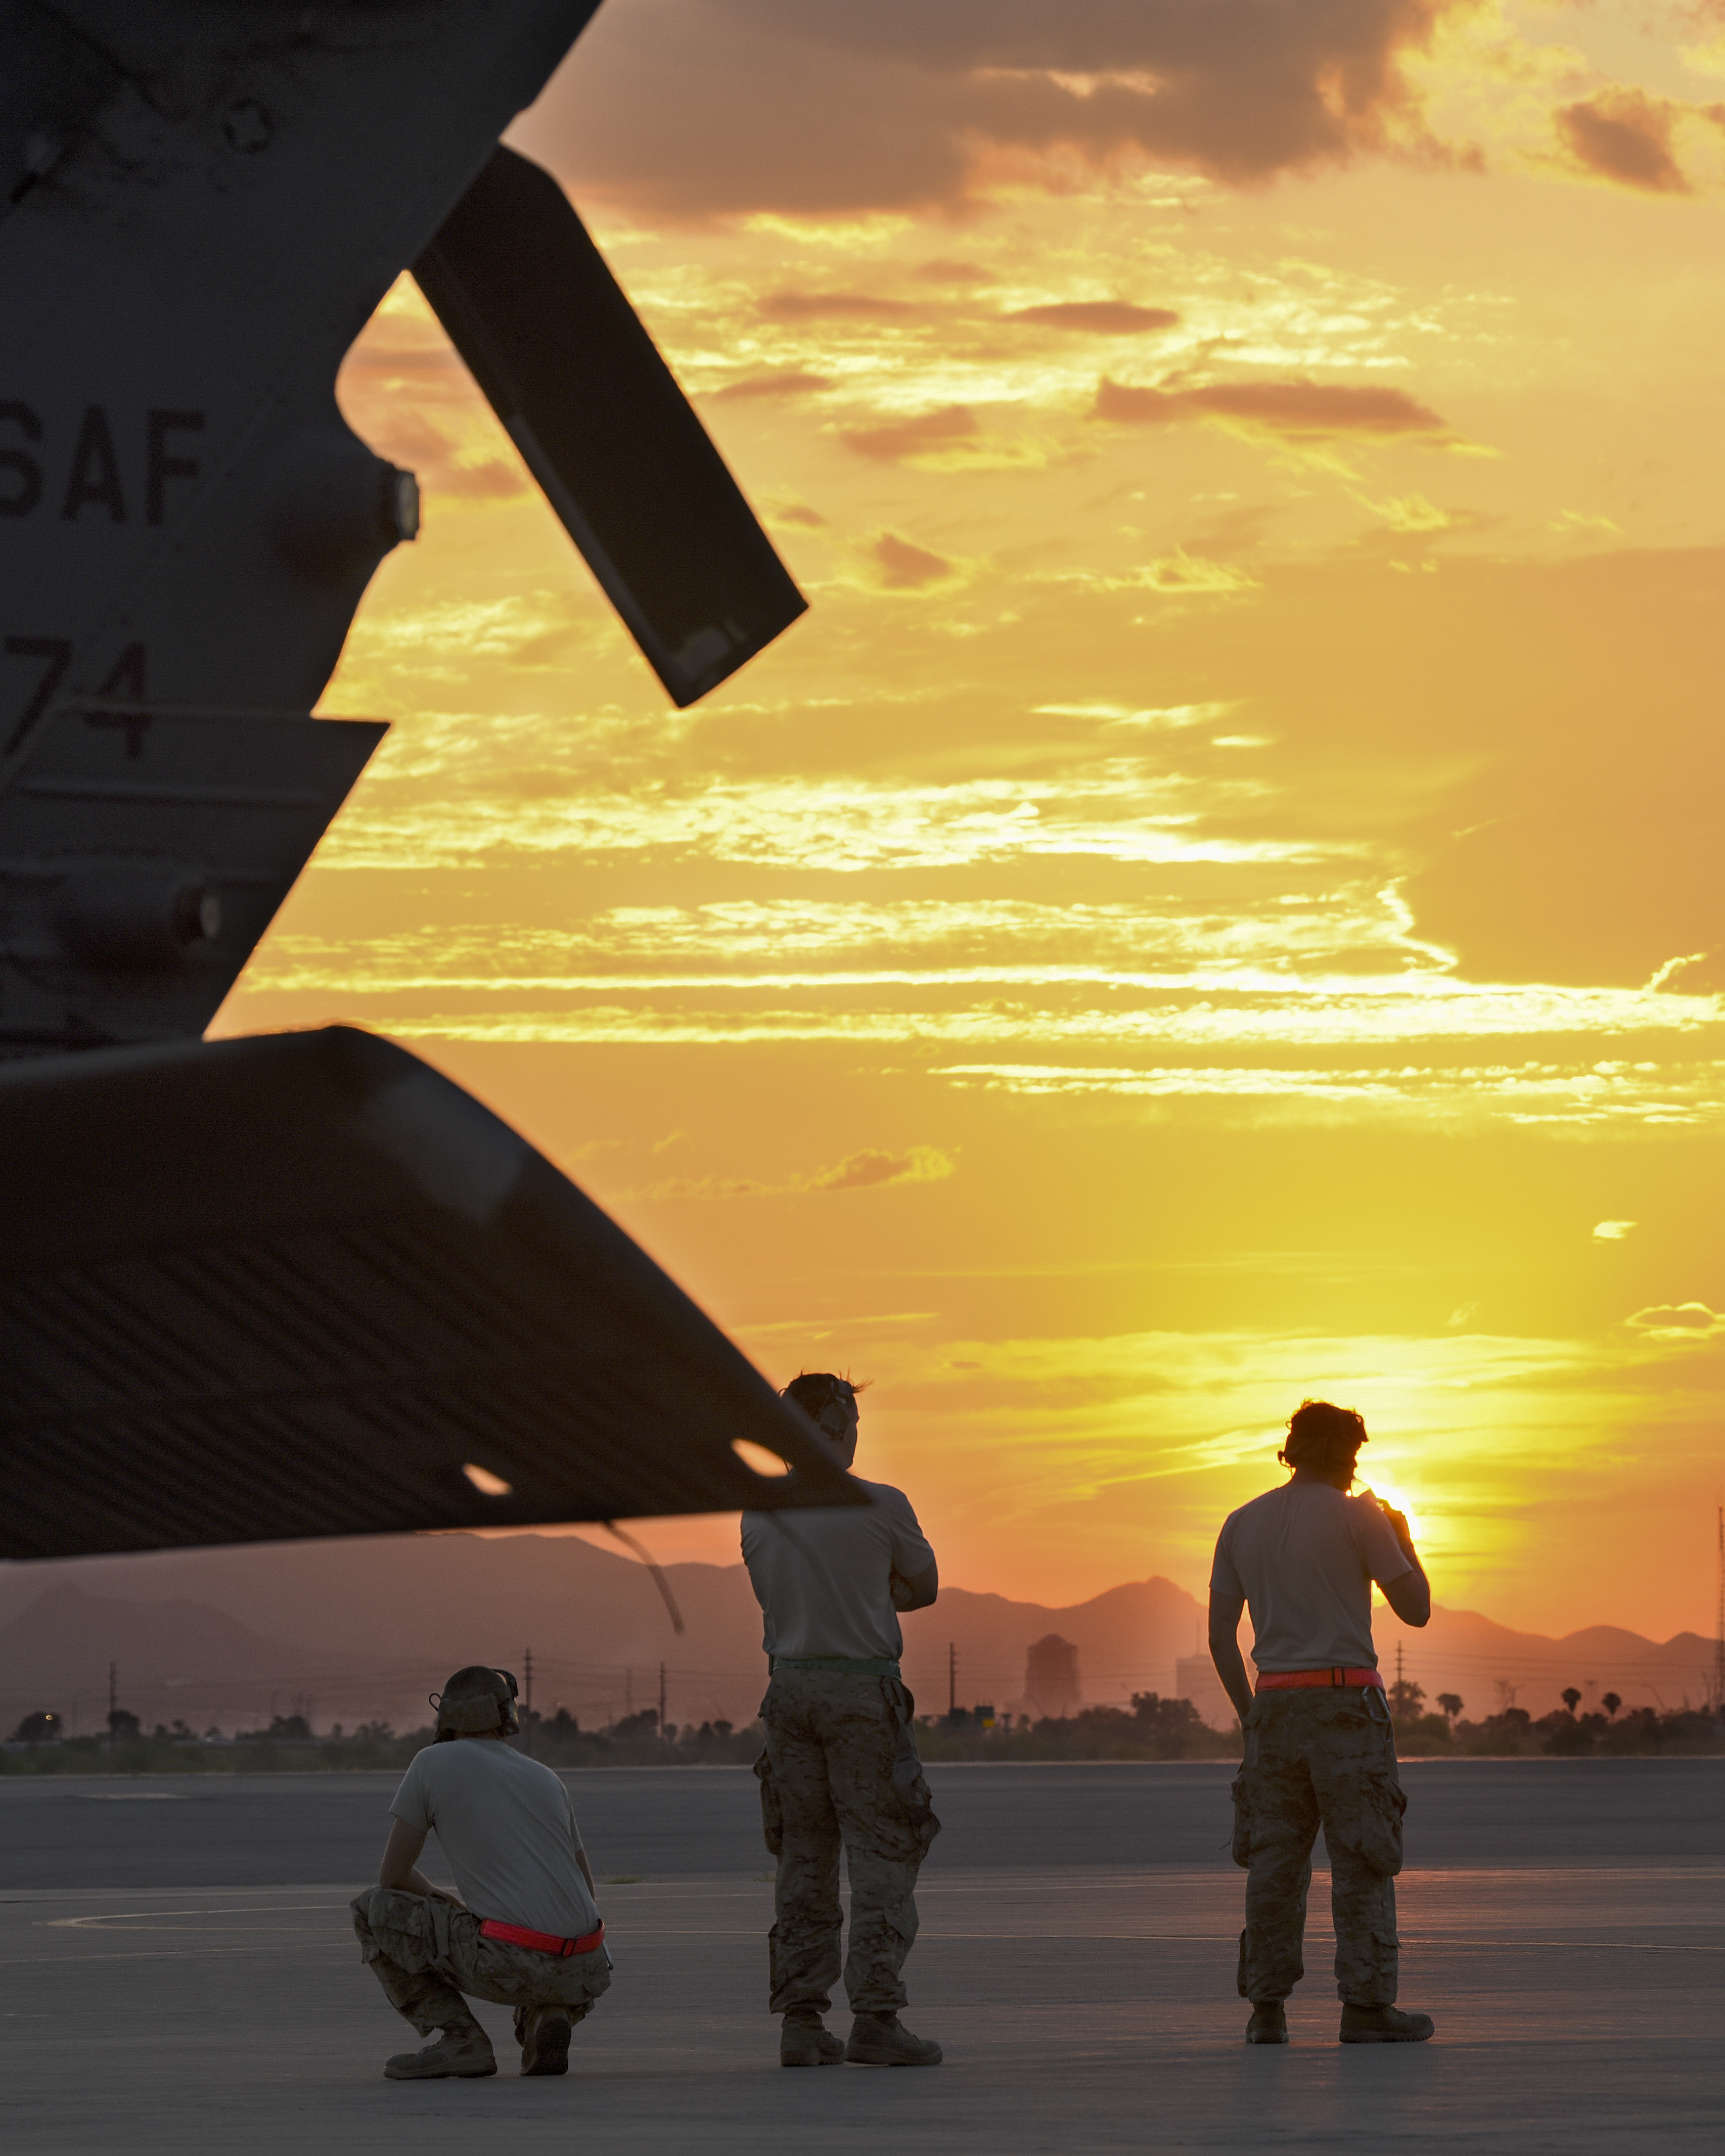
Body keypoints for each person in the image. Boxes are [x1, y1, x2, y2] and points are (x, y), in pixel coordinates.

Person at [1208, 1399, 1435, 2047]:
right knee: (1363, 1856)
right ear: (1343, 1452)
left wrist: (1253, 1718)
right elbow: (1415, 1609)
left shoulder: (1241, 1521)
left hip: (1274, 1705)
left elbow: (1221, 1636)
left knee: (1273, 1866)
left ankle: (1266, 2009)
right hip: (1345, 1706)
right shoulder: (1361, 1515)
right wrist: (1405, 1541)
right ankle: (1366, 2006)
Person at [742, 1371, 944, 2068]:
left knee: (804, 1855)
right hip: (861, 1691)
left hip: (788, 1691)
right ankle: (877, 2014)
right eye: (850, 1422)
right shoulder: (880, 1505)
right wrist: (877, 1592)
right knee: (882, 1852)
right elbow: (924, 1586)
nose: (856, 1435)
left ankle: (801, 2020)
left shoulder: (756, 1510)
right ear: (829, 1428)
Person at [350, 1665, 610, 2080]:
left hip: (511, 1961)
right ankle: (545, 2014)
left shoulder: (431, 1763)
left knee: (372, 1909)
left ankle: (461, 2039)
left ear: (447, 1715)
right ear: (505, 1714)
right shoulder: (548, 1778)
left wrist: (442, 1898)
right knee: (536, 1939)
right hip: (588, 1966)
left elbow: (394, 1875)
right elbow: (586, 1888)